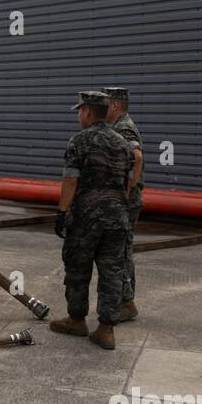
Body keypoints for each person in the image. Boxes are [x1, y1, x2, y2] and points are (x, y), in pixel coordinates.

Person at [50, 91, 135, 350]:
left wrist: (62, 212)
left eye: (79, 111)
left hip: (86, 217)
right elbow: (130, 176)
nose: (78, 115)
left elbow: (71, 180)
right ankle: (106, 329)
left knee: (78, 269)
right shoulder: (122, 142)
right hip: (117, 217)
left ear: (87, 111)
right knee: (112, 272)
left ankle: (77, 320)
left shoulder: (79, 141)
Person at [102, 86, 143, 322]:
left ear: (115, 105)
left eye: (106, 104)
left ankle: (127, 303)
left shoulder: (124, 127)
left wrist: (127, 191)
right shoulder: (119, 126)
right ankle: (125, 301)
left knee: (122, 252)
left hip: (127, 203)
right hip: (128, 200)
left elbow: (137, 157)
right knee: (122, 250)